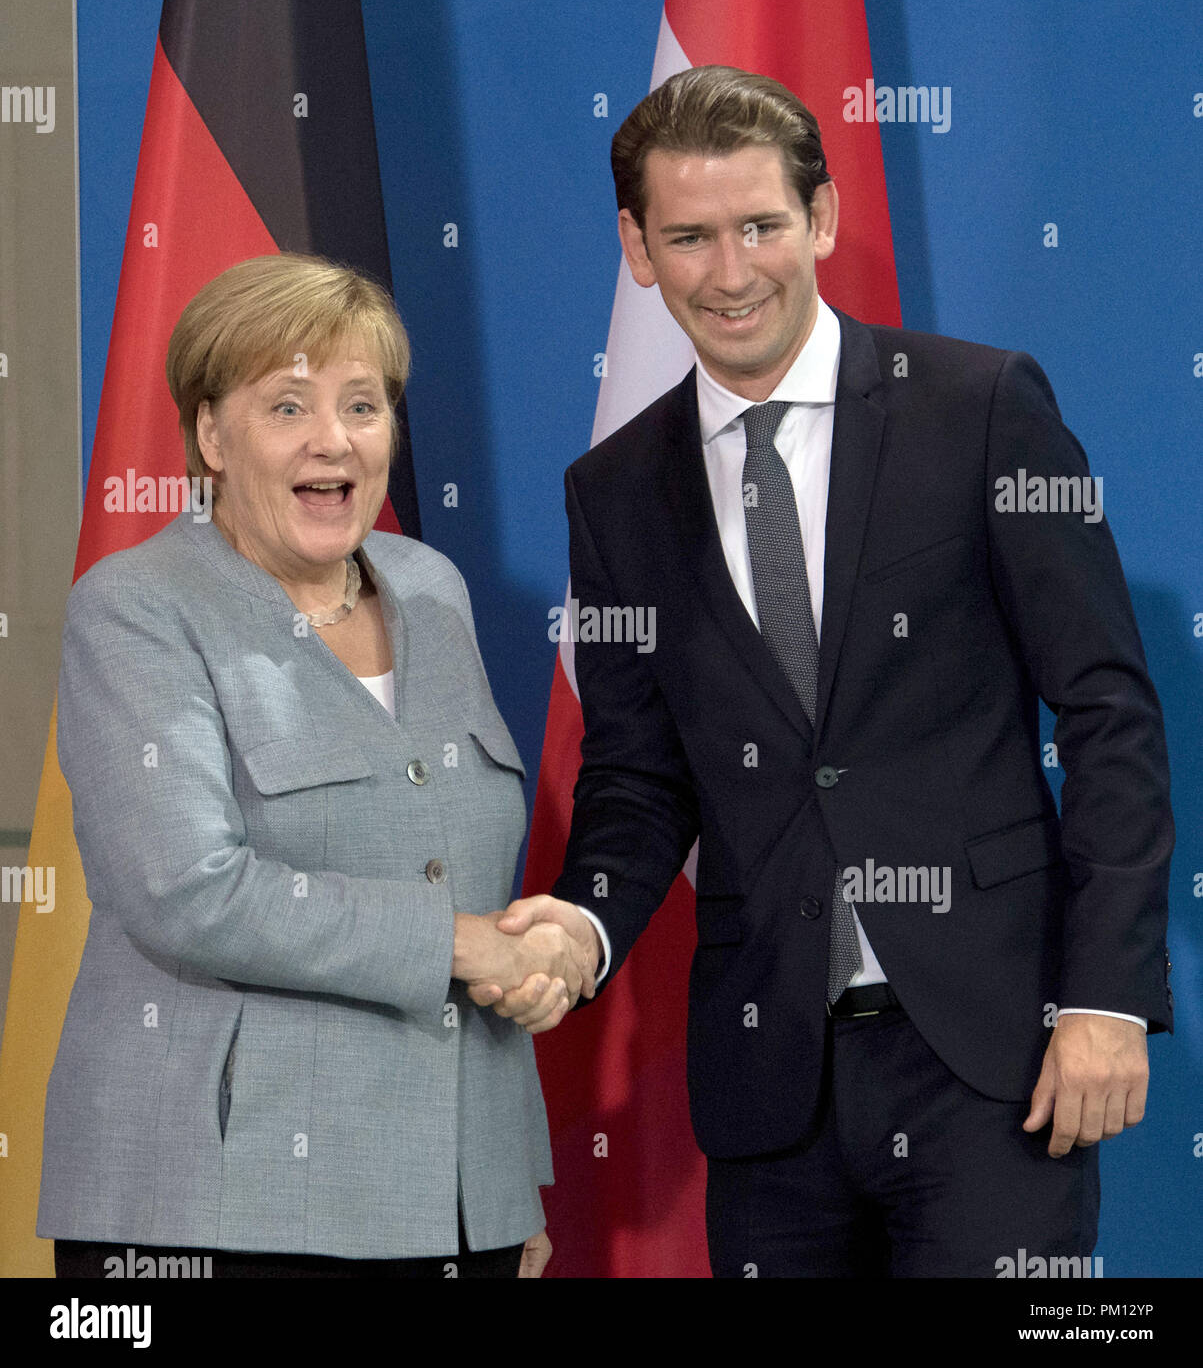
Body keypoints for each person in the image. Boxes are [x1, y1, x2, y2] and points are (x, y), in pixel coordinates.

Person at [472, 66, 1174, 1277]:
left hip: (996, 1063)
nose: (730, 271)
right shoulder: (615, 490)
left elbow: (1109, 710)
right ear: (637, 248)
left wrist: (1105, 996)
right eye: (689, 237)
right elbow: (640, 775)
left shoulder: (979, 406)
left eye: (760, 226)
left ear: (824, 218)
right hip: (773, 1084)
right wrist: (583, 925)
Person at [39, 252, 594, 1278]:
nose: (333, 438)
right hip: (220, 1214)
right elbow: (188, 891)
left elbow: (458, 864)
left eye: (362, 405)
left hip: (451, 1210)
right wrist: (462, 944)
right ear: (212, 435)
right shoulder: (135, 609)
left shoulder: (432, 590)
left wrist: (496, 1189)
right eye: (288, 406)